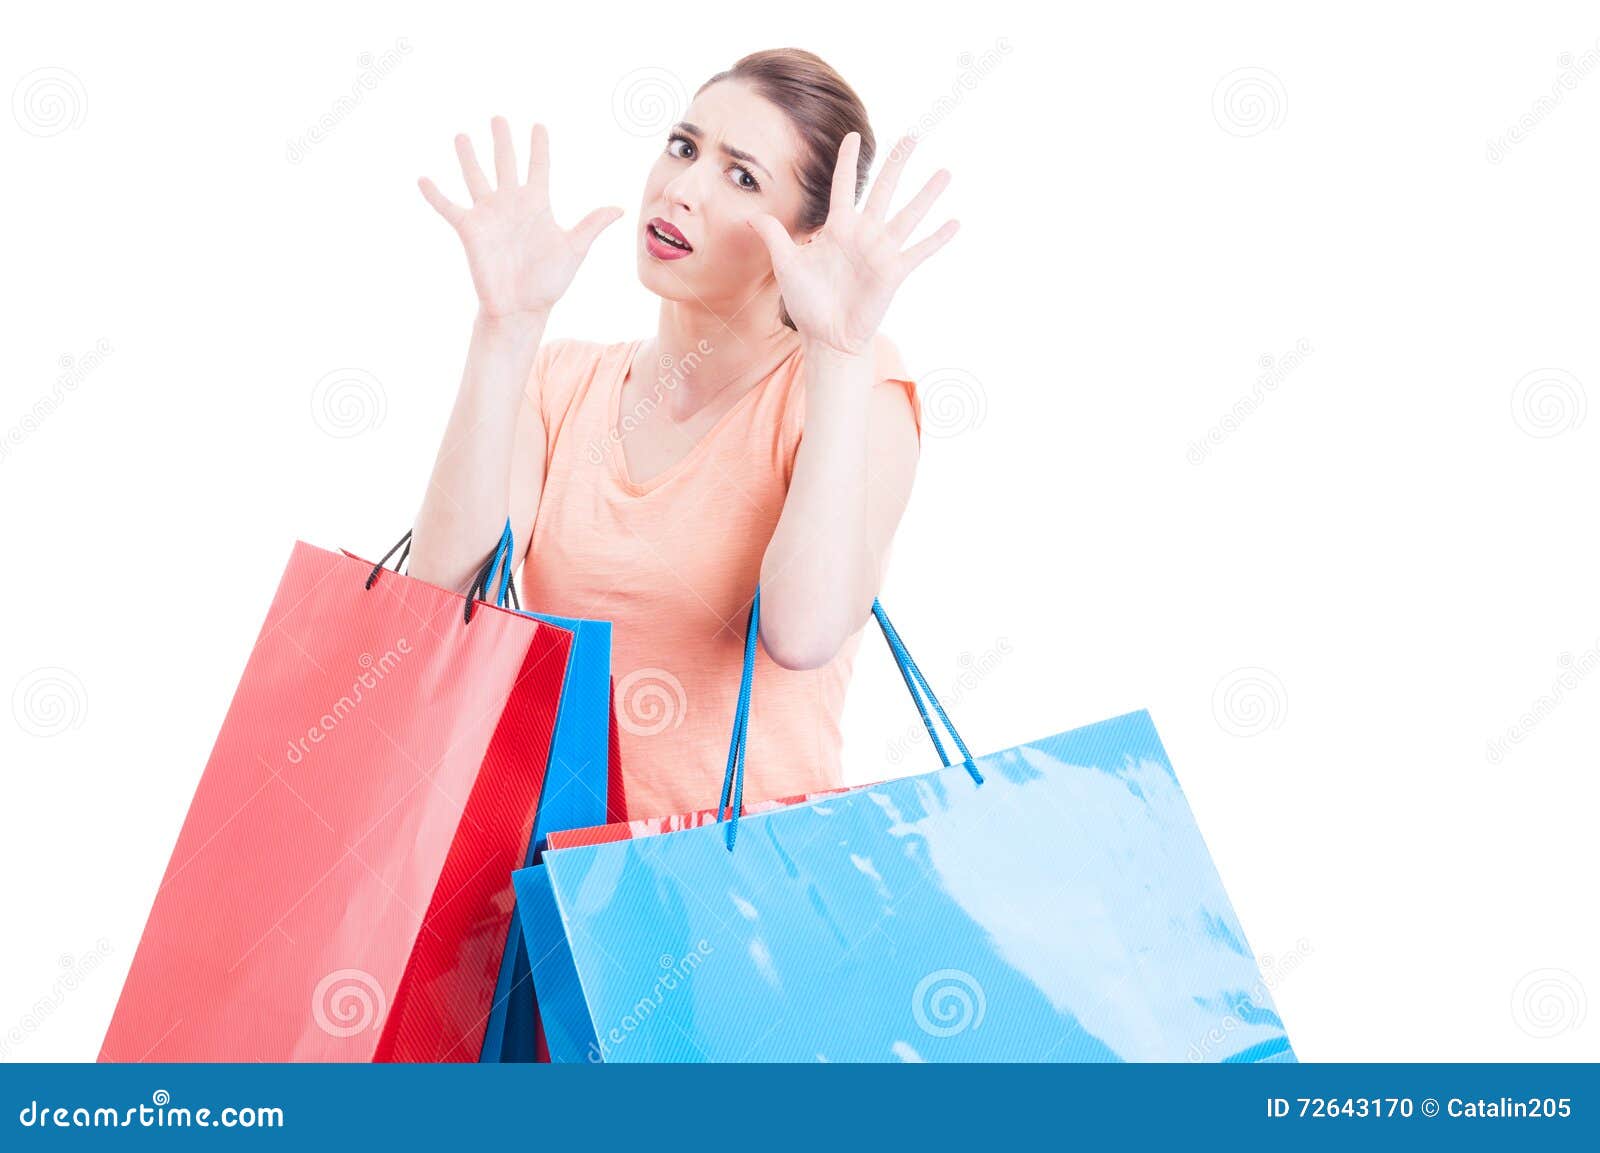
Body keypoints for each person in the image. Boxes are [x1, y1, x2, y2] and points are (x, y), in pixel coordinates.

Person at [406, 48, 959, 820]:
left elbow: (803, 632)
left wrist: (836, 352)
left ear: (806, 240)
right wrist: (506, 329)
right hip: (562, 891)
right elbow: (440, 608)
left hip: (752, 904)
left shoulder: (855, 388)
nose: (682, 189)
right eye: (684, 146)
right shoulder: (560, 381)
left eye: (742, 177)